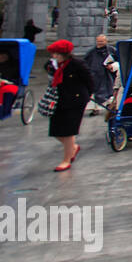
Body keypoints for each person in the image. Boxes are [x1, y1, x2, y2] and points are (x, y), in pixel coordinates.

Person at [45, 40, 92, 172]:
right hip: (59, 100)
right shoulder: (54, 65)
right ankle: (73, 147)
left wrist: (87, 96)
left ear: (64, 54)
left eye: (56, 54)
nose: (54, 56)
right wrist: (52, 66)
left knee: (68, 131)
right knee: (55, 130)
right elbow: (48, 72)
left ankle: (66, 160)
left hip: (75, 101)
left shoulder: (77, 64)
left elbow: (89, 81)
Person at [83, 35, 116, 115]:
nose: (100, 43)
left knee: (109, 90)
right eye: (99, 41)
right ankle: (96, 108)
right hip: (94, 74)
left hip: (108, 74)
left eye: (102, 41)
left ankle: (110, 105)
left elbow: (118, 59)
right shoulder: (91, 52)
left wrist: (113, 66)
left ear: (106, 41)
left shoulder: (112, 50)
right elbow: (85, 62)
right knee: (95, 92)